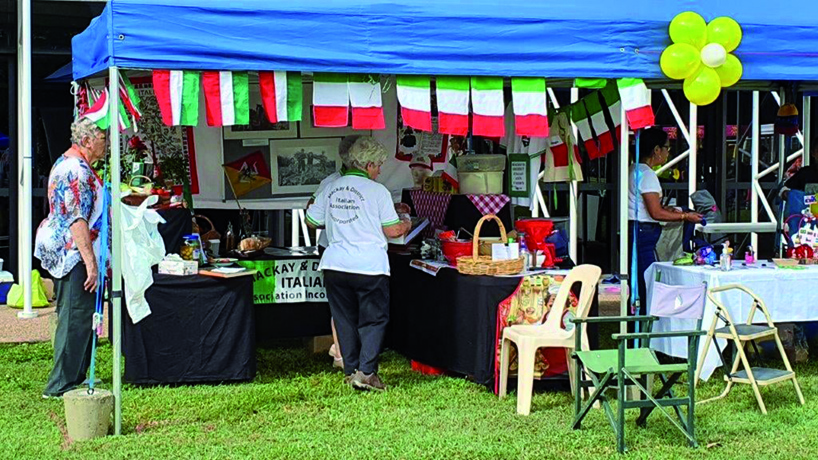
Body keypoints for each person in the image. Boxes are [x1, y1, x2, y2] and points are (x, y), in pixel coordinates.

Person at [306, 136, 410, 391]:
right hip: (369, 266)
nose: (380, 170)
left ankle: (351, 369)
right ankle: (366, 373)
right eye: (379, 165)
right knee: (373, 320)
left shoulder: (332, 186)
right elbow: (393, 230)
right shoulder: (377, 191)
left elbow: (311, 220)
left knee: (344, 319)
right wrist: (407, 222)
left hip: (335, 264)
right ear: (368, 164)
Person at [35, 117, 107, 398]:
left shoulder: (72, 164)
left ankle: (77, 373)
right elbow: (77, 219)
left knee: (83, 314)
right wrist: (91, 264)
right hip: (72, 253)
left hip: (70, 249)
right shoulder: (76, 171)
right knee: (74, 316)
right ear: (87, 141)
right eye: (102, 138)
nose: (106, 144)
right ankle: (59, 385)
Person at [629, 128, 702, 310]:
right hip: (643, 232)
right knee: (648, 284)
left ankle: (638, 324)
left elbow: (648, 207)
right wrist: (685, 216)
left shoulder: (634, 170)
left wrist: (669, 210)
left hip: (636, 229)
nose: (668, 153)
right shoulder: (647, 175)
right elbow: (656, 213)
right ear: (656, 150)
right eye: (667, 148)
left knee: (638, 282)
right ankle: (646, 324)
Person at [309, 135, 360, 370]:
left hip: (355, 247)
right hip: (333, 245)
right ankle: (340, 352)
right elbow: (310, 213)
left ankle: (342, 347)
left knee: (351, 302)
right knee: (341, 303)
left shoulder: (368, 184)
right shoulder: (330, 182)